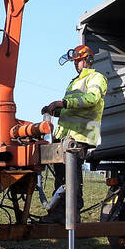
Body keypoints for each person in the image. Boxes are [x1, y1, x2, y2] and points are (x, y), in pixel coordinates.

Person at [41, 44, 107, 224]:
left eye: (78, 61)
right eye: (74, 61)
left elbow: (91, 99)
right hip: (67, 136)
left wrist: (63, 103)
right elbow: (70, 109)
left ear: (88, 60)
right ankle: (57, 214)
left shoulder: (96, 78)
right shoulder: (74, 82)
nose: (76, 64)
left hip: (81, 135)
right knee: (61, 177)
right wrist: (54, 110)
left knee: (72, 176)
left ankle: (72, 213)